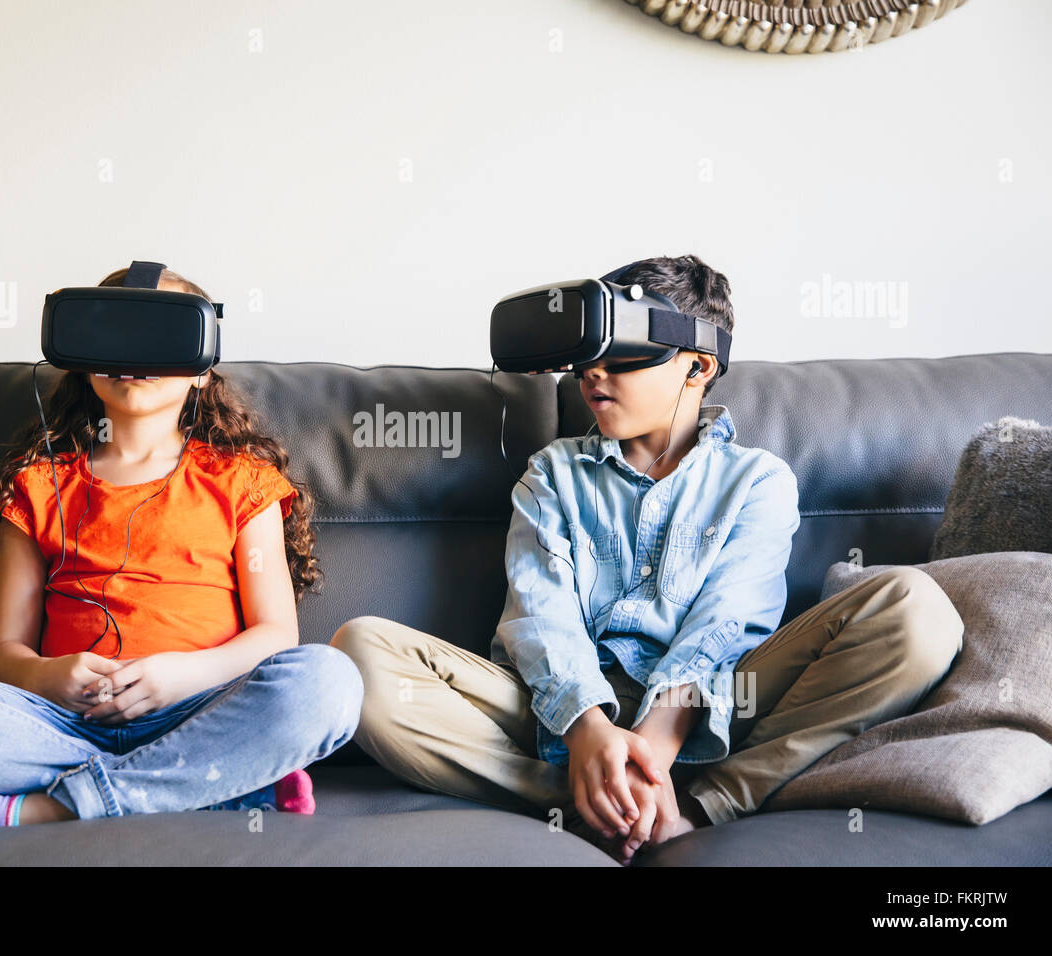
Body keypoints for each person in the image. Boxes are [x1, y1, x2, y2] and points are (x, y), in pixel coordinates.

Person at [332, 254, 963, 863]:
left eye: (624, 356)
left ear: (697, 367)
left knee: (917, 612)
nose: (594, 375)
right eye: (588, 359)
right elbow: (540, 614)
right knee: (359, 657)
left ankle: (701, 801)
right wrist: (588, 731)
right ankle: (612, 801)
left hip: (719, 709)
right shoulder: (552, 475)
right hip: (557, 717)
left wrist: (655, 744)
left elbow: (728, 621)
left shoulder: (757, 481)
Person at [0, 264, 363, 829]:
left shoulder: (242, 481)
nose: (134, 360)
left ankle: (35, 810)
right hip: (60, 720)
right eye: (116, 337)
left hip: (199, 711)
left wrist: (179, 675)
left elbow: (276, 635)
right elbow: (4, 654)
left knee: (327, 682)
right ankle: (195, 787)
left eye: (158, 338)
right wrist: (53, 677)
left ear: (200, 368)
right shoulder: (36, 485)